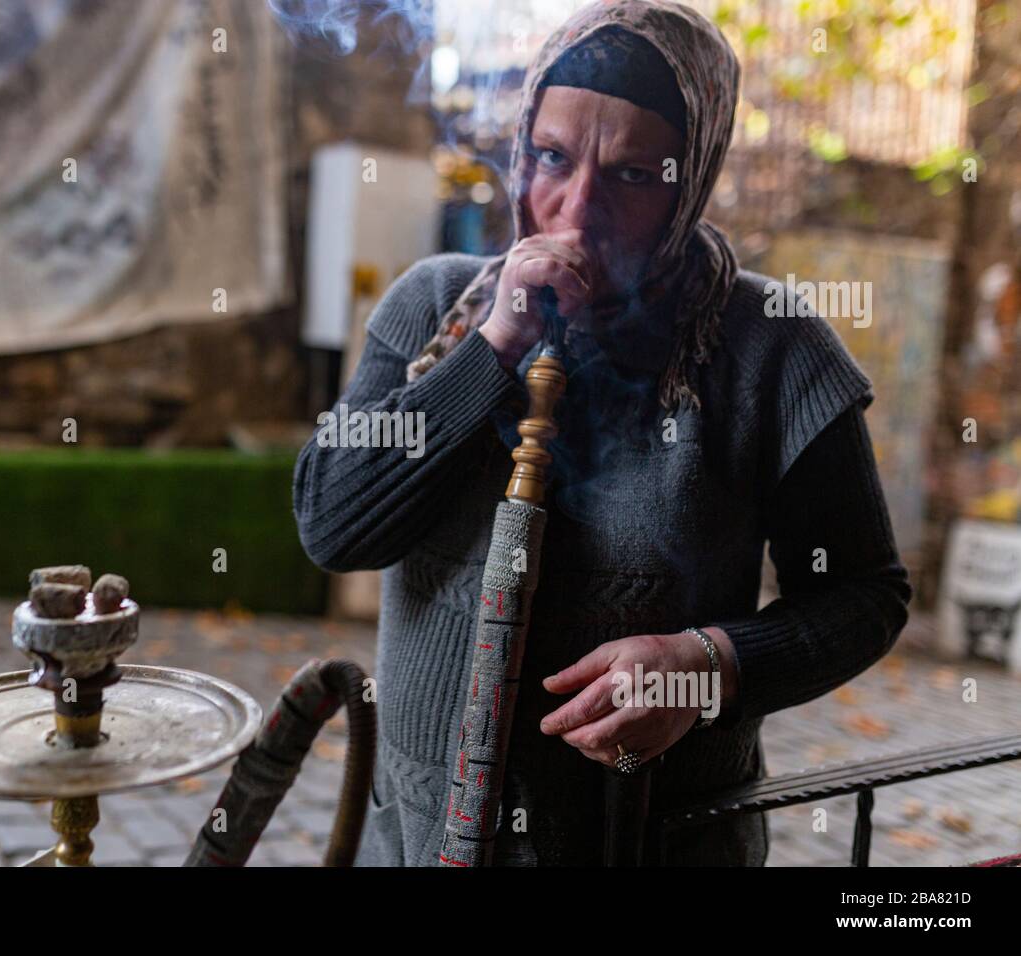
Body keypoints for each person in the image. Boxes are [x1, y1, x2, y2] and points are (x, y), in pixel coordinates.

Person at [293, 0, 910, 866]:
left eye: (629, 175)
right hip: (426, 832)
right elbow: (334, 525)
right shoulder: (436, 305)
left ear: (688, 179)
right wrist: (493, 345)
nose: (574, 213)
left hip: (656, 838)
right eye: (552, 157)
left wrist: (705, 668)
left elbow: (866, 596)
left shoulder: (772, 347)